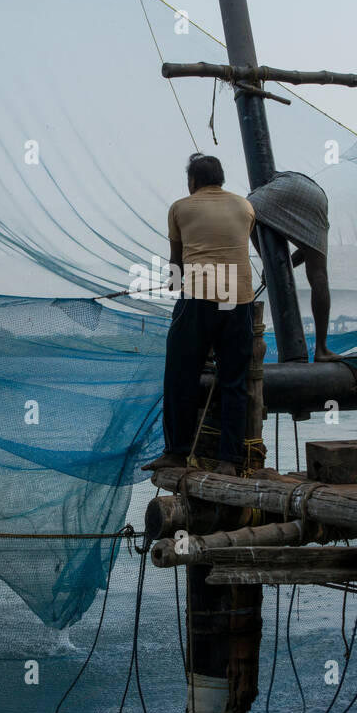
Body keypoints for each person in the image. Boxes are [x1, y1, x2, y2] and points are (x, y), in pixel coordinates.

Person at [142, 153, 255, 476]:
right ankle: (229, 461)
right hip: (237, 298)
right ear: (220, 180)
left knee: (180, 376)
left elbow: (177, 263)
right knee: (234, 381)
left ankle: (177, 452)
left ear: (193, 181)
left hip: (198, 298)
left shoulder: (180, 208)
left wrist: (174, 283)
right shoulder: (245, 207)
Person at [246, 169, 338, 361]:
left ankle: (321, 349)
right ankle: (321, 349)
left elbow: (249, 213)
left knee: (247, 209)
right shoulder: (315, 203)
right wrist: (271, 269)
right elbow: (306, 250)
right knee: (319, 273)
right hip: (317, 196)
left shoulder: (270, 185)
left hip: (287, 184)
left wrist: (268, 264)